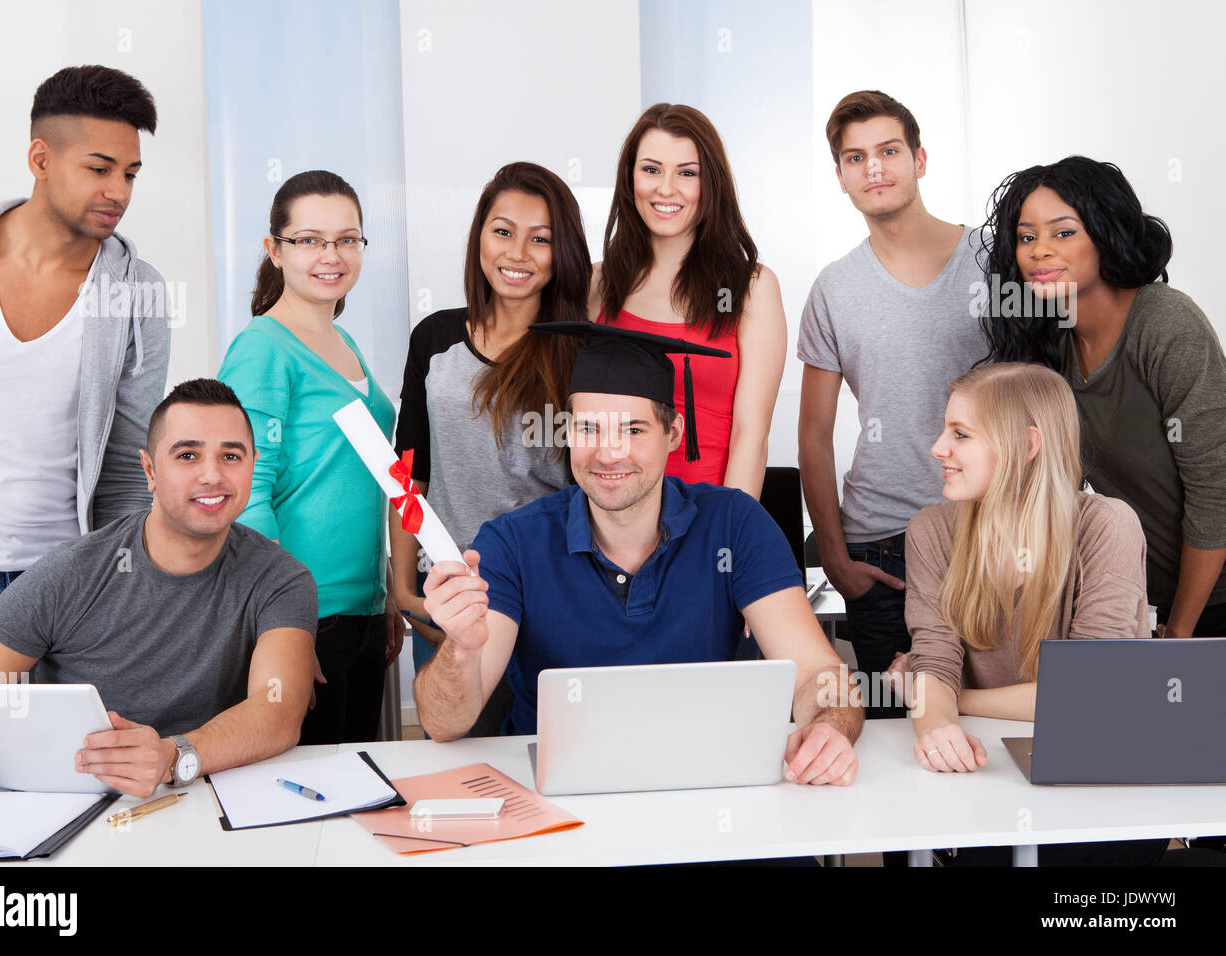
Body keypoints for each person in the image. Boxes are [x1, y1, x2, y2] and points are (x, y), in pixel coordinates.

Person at [414, 322, 862, 787]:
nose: (610, 453)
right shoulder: (510, 544)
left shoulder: (736, 525)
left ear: (673, 433)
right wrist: (462, 650)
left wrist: (830, 726)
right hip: (559, 808)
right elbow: (445, 724)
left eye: (633, 429)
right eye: (589, 427)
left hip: (710, 790)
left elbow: (818, 672)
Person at [0, 380, 316, 800]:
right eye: (187, 455)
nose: (212, 474)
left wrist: (173, 756)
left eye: (231, 456)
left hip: (206, 798)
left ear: (252, 465)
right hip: (69, 803)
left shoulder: (282, 579)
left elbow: (279, 710)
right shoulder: (71, 572)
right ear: (149, 470)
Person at [0, 65, 172, 677]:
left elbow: (126, 461)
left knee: (67, 771)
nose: (119, 190)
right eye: (99, 168)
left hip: (66, 586)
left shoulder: (136, 292)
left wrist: (120, 587)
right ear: (41, 158)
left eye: (130, 173)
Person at [899, 362, 1165, 866]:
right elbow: (933, 662)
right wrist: (937, 723)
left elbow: (1087, 695)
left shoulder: (1107, 525)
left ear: (1026, 446)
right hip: (993, 773)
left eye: (960, 434)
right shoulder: (931, 531)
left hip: (1101, 781)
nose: (938, 448)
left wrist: (958, 698)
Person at [979, 155, 1226, 638]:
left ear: (1105, 233)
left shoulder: (1165, 324)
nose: (1039, 251)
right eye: (1027, 237)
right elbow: (1054, 491)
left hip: (1209, 601)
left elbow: (1216, 497)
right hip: (1142, 601)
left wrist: (1178, 633)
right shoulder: (1049, 344)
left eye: (1063, 232)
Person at [797, 90, 986, 717]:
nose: (873, 168)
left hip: (987, 531)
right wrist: (833, 555)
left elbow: (1038, 399)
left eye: (888, 151)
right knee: (892, 731)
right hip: (882, 547)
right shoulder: (834, 288)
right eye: (856, 158)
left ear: (920, 159)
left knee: (991, 718)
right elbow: (814, 435)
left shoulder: (994, 262)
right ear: (841, 178)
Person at [391, 162, 587, 736]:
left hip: (549, 592)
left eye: (541, 238)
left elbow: (589, 488)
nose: (518, 252)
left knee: (552, 760)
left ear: (561, 252)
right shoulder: (434, 337)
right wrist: (404, 588)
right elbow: (410, 470)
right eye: (503, 231)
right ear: (480, 236)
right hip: (450, 592)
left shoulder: (579, 352)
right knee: (458, 760)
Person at [218, 170, 401, 746]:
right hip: (305, 620)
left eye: (347, 239)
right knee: (310, 805)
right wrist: (284, 627)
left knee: (361, 797)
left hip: (361, 615)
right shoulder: (262, 349)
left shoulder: (344, 343)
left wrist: (388, 593)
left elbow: (369, 479)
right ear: (275, 250)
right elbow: (246, 490)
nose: (332, 255)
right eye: (310, 240)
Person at [592, 103, 785, 498]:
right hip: (609, 523)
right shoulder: (596, 282)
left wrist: (726, 537)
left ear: (711, 184)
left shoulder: (752, 288)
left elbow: (751, 435)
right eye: (651, 170)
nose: (666, 188)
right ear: (630, 179)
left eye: (687, 173)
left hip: (707, 521)